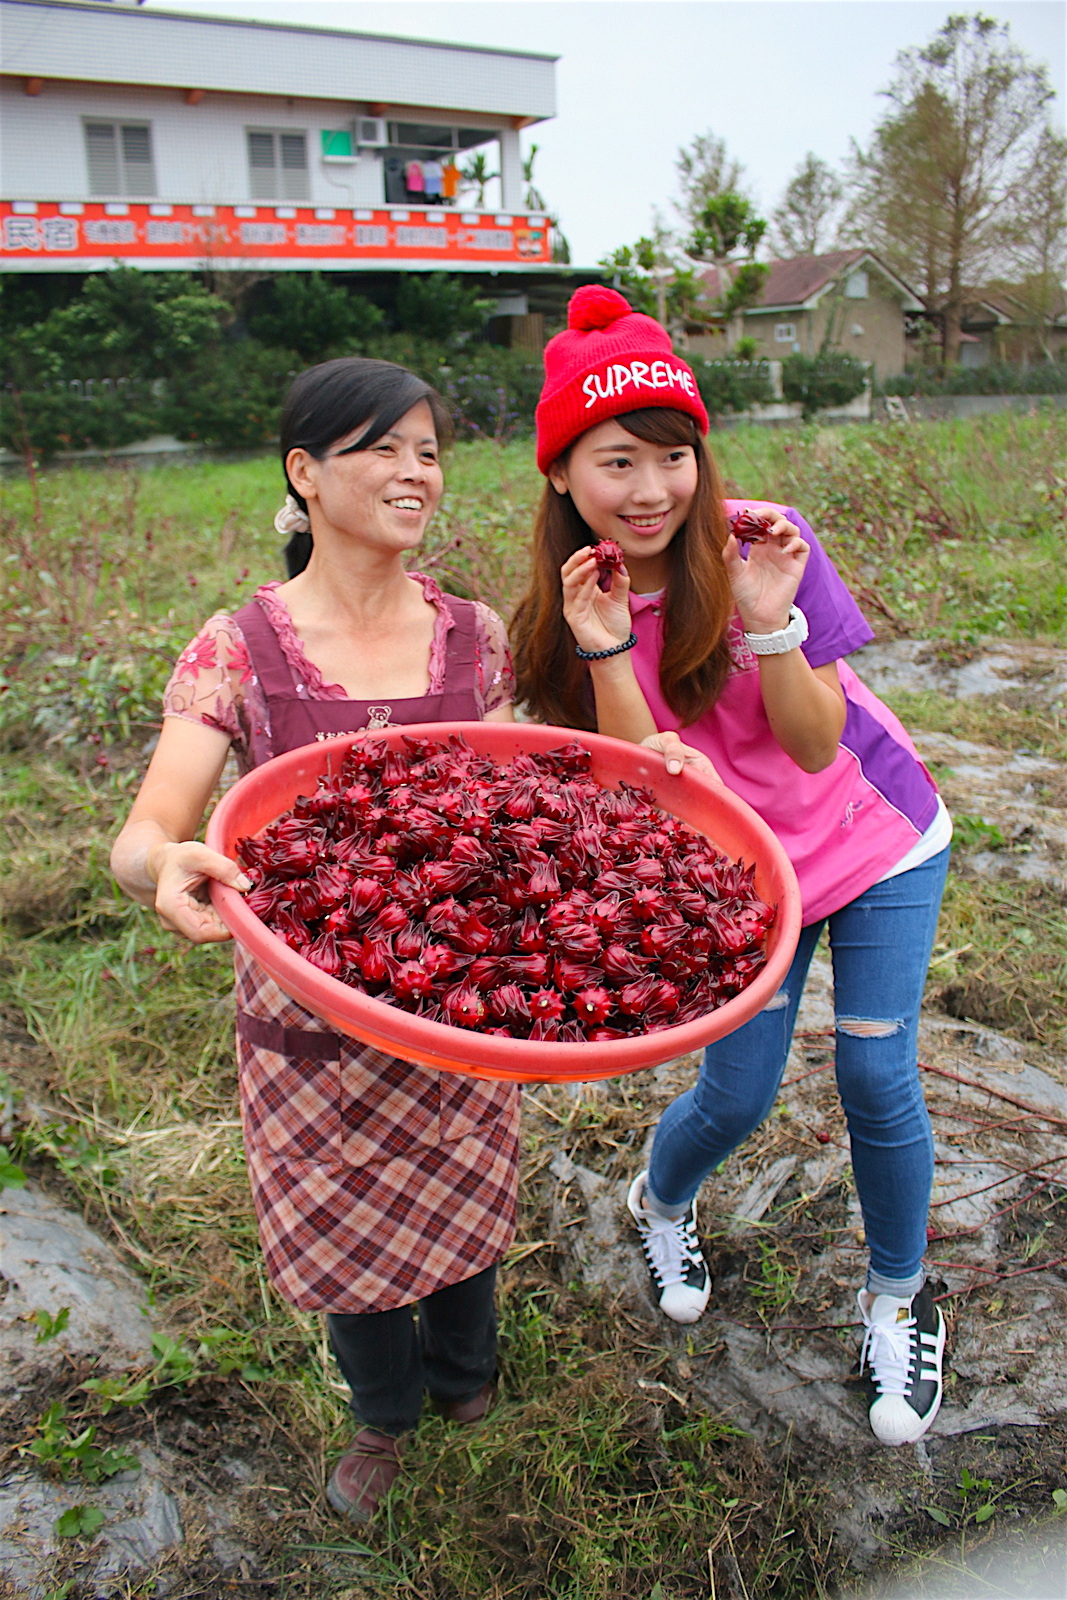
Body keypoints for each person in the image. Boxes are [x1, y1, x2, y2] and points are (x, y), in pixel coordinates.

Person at [511, 287, 953, 1448]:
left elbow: (812, 745)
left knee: (876, 1082)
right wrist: (605, 644)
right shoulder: (567, 607)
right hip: (731, 872)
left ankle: (900, 1299)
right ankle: (660, 1201)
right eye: (616, 461)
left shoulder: (765, 542)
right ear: (563, 473)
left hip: (874, 839)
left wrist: (769, 618)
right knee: (739, 1091)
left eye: (671, 456)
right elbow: (634, 786)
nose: (650, 489)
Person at [110, 358, 524, 1522]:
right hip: (309, 1009)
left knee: (461, 1188)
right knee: (345, 1219)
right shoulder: (240, 645)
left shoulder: (471, 636)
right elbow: (147, 828)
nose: (414, 473)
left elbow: (516, 800)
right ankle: (381, 1411)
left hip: (459, 995)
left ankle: (467, 1374)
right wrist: (163, 867)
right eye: (380, 449)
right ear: (305, 471)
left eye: (429, 450)